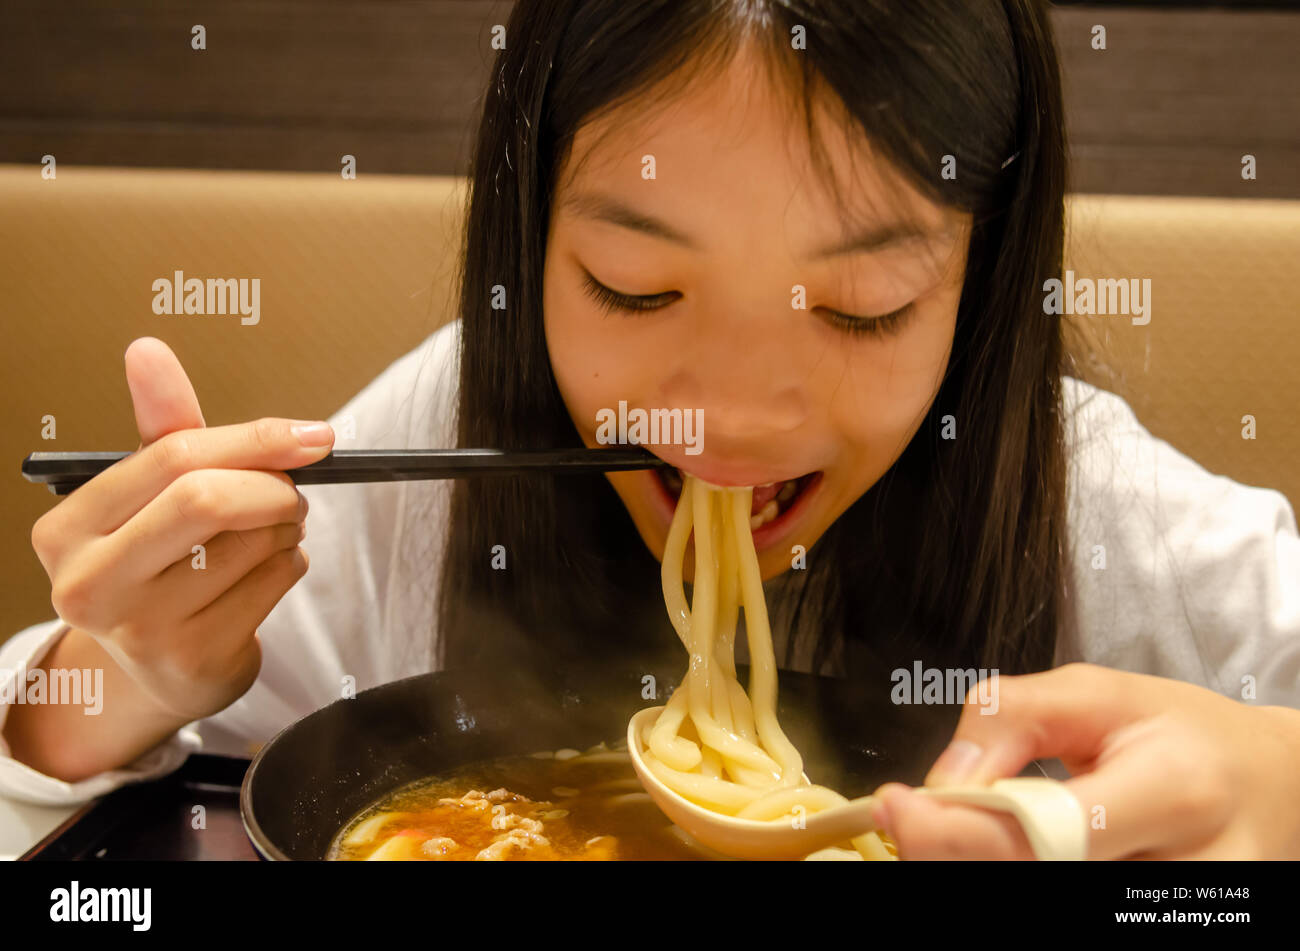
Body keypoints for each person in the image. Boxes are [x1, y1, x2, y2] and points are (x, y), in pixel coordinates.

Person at [3, 0, 1297, 859]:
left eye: (861, 308)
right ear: (529, 242)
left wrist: (1275, 788)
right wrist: (93, 696)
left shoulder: (1119, 534)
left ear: (985, 284)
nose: (725, 419)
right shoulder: (435, 455)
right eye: (635, 288)